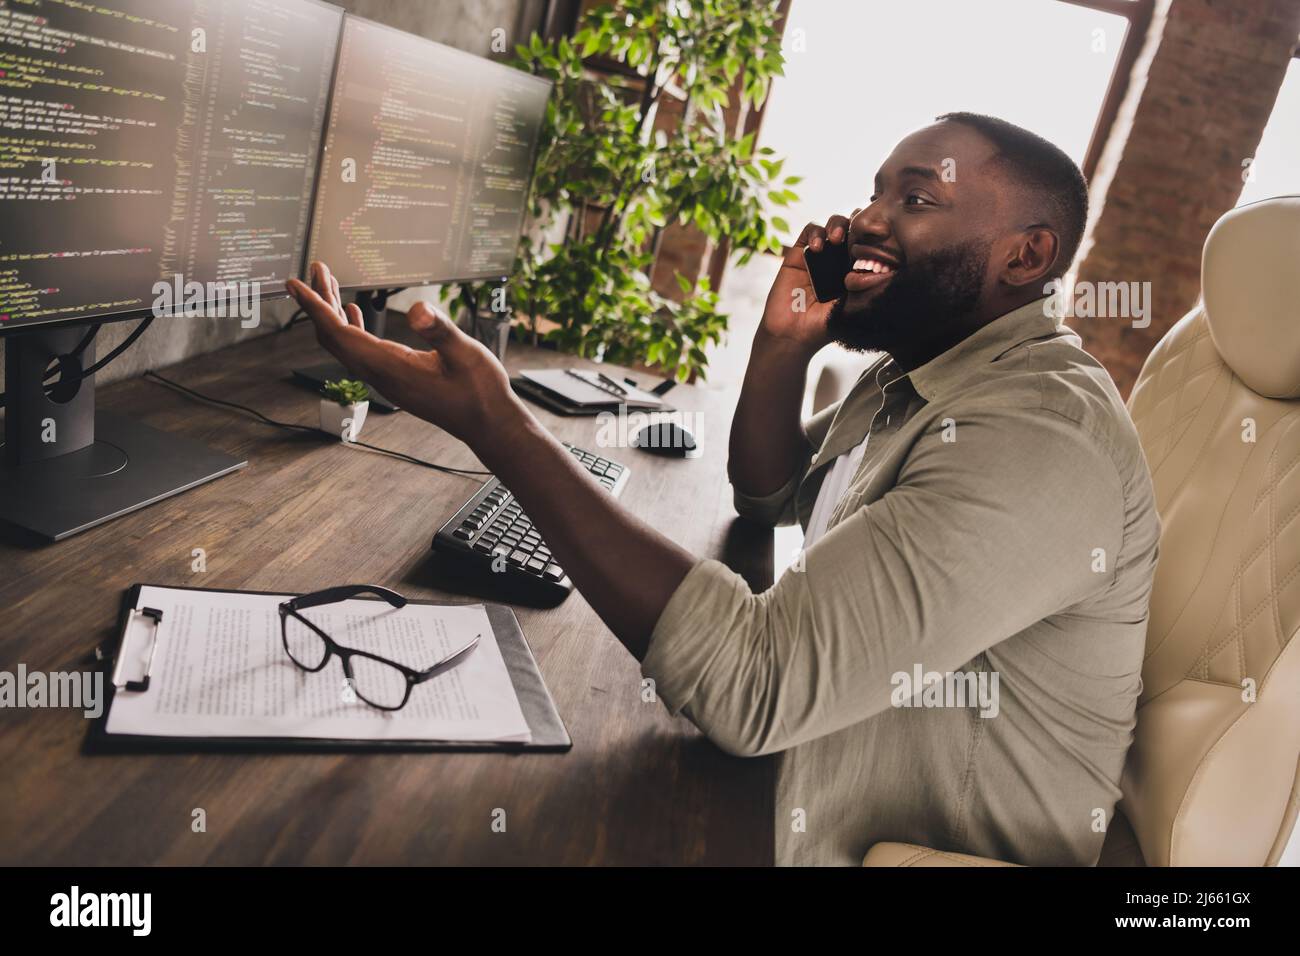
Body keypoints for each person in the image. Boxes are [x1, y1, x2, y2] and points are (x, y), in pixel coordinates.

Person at [287, 112, 1159, 867]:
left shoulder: (1039, 434)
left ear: (1027, 254)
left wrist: (498, 425)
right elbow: (774, 500)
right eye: (876, 193)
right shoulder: (926, 375)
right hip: (793, 782)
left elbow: (755, 686)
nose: (864, 219)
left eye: (917, 199)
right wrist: (785, 347)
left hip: (869, 842)